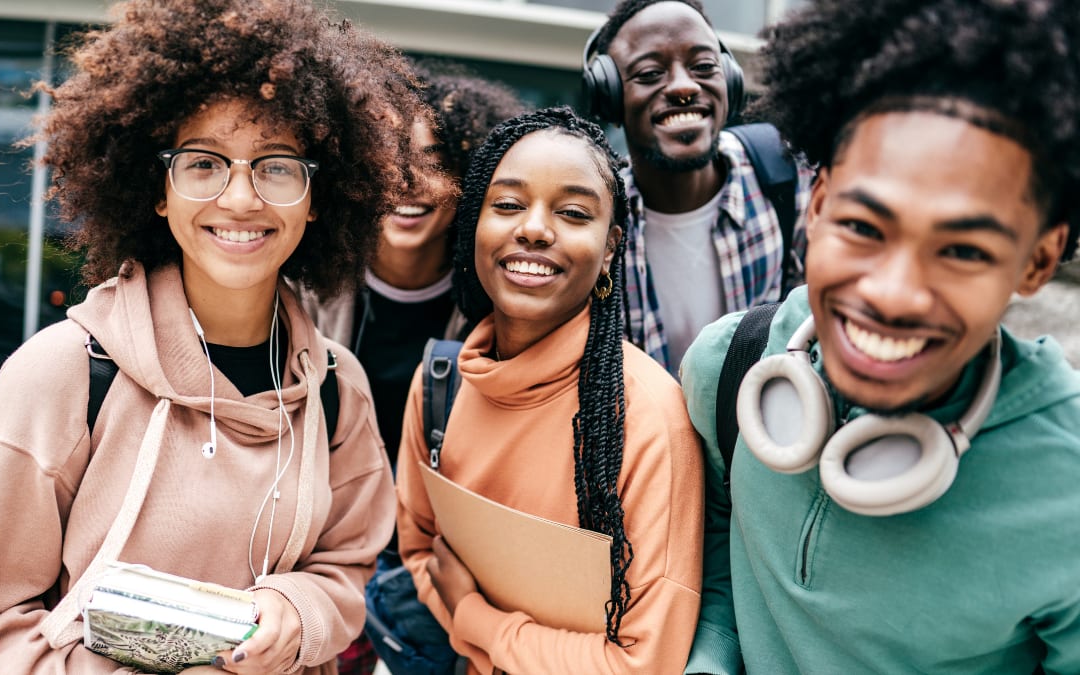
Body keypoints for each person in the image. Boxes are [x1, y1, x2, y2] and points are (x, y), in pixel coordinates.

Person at [0, 1, 426, 672]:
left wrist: (295, 607)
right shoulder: (65, 374)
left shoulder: (337, 388)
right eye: (203, 163)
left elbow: (346, 566)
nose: (242, 198)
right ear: (159, 189)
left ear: (316, 198)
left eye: (277, 166)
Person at [679, 0, 1080, 673]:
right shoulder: (728, 367)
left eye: (963, 251)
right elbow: (715, 548)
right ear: (818, 204)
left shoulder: (1067, 480)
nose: (892, 294)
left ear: (1038, 261)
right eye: (864, 227)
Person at [395, 106, 705, 674]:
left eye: (572, 212)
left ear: (610, 247)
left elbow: (644, 663)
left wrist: (475, 619)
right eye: (508, 204)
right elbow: (419, 552)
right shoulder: (439, 385)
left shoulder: (649, 420)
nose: (534, 228)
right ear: (475, 224)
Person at [300, 60, 526, 675]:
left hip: (435, 575)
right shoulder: (306, 287)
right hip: (322, 556)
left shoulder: (499, 302)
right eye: (389, 158)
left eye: (434, 162)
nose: (407, 182)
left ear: (471, 182)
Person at [583, 0, 816, 371]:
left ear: (730, 78)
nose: (683, 87)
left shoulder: (788, 174)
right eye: (649, 73)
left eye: (704, 66)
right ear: (609, 95)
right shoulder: (592, 223)